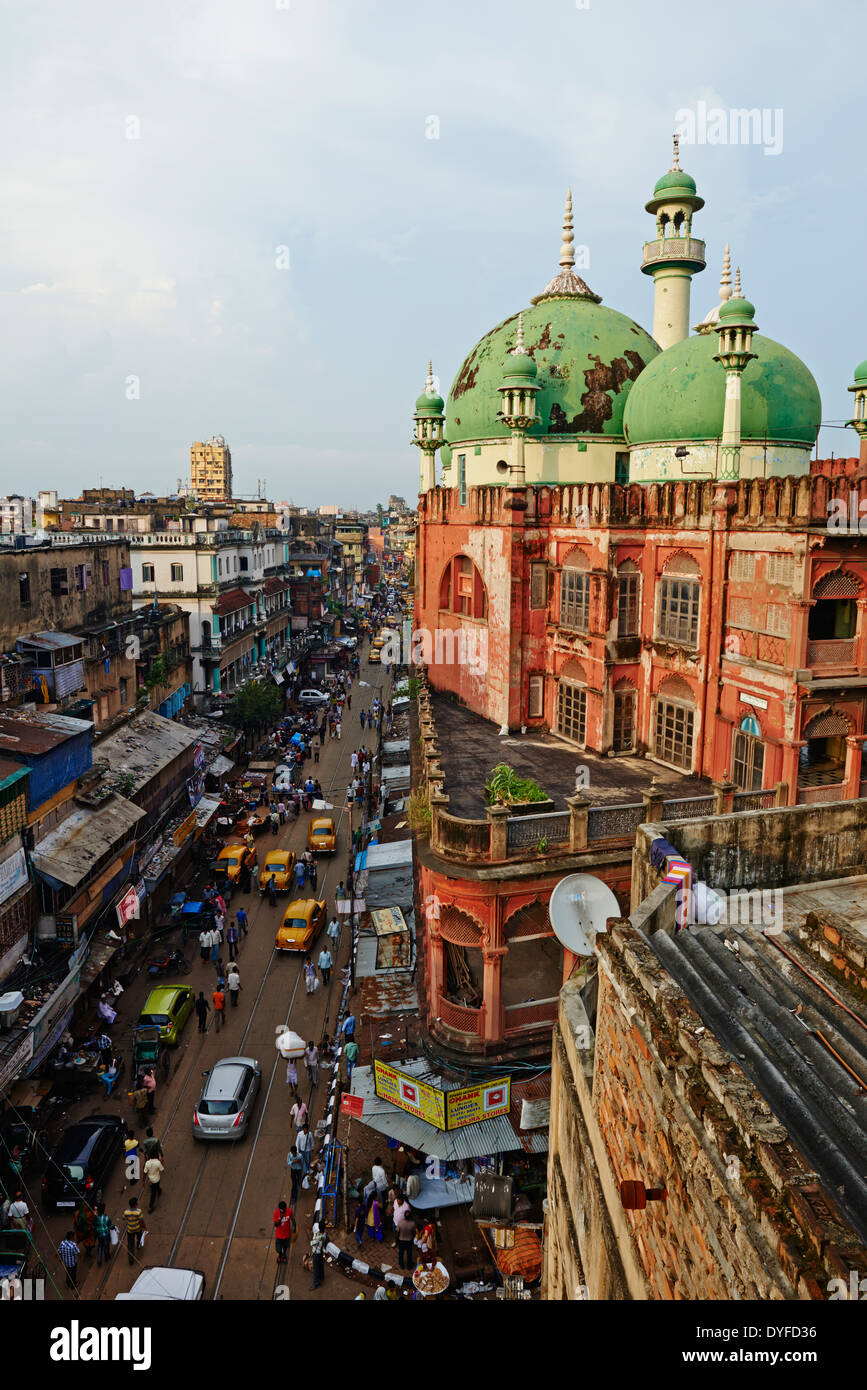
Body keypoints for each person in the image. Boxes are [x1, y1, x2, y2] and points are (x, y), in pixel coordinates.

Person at [123, 1197, 145, 1267]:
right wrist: (144, 1227)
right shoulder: (139, 1211)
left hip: (130, 1230)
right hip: (138, 1229)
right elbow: (141, 1220)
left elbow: (123, 1217)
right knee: (139, 1238)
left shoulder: (126, 1212)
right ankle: (138, 1245)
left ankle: (131, 1259)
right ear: (135, 1204)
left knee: (130, 1244)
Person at [311, 1222, 326, 1290]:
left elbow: (311, 1243)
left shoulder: (318, 1236)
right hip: (320, 1252)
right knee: (320, 1265)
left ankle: (316, 1283)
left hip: (316, 1253)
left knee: (315, 1268)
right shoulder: (324, 1235)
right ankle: (321, 1277)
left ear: (319, 1227)